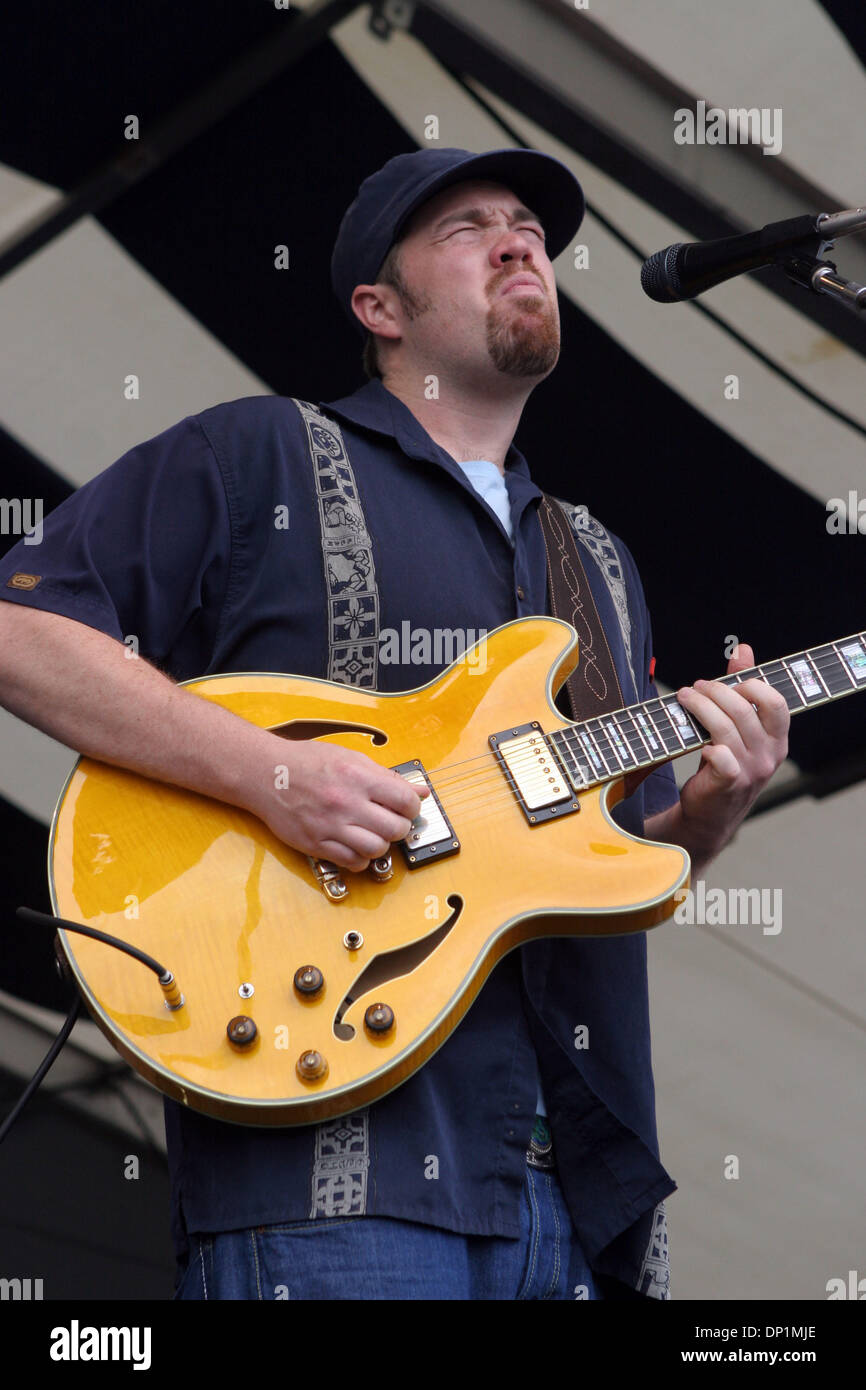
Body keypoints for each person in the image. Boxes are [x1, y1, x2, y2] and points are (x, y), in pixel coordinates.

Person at [0, 147, 789, 1300]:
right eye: (470, 228)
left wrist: (706, 814)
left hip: (575, 1197)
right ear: (379, 306)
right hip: (333, 1183)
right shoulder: (257, 452)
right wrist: (276, 778)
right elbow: (21, 629)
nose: (521, 242)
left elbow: (594, 869)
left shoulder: (599, 565)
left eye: (529, 225)